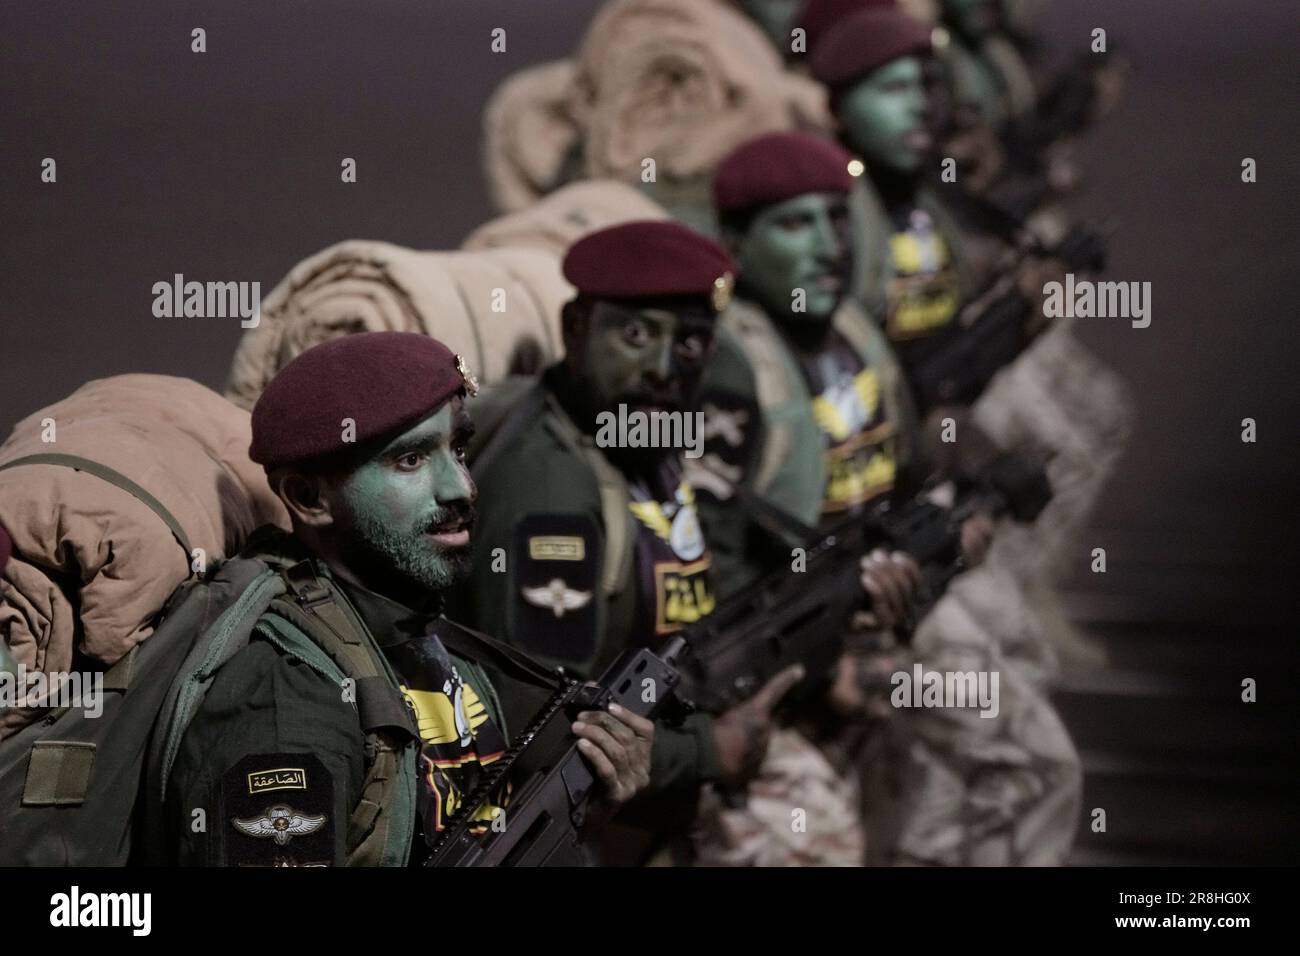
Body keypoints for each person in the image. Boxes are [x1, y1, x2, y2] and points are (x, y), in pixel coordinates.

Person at [144, 332, 653, 866]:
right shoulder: (286, 700)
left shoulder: (419, 636)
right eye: (410, 460)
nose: (461, 487)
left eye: (456, 449)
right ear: (310, 498)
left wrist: (580, 811)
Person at [450, 221, 804, 859]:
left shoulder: (640, 442)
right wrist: (707, 750)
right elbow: (545, 736)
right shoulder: (552, 489)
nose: (664, 369)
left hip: (659, 793)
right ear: (575, 328)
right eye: (636, 336)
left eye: (691, 345)